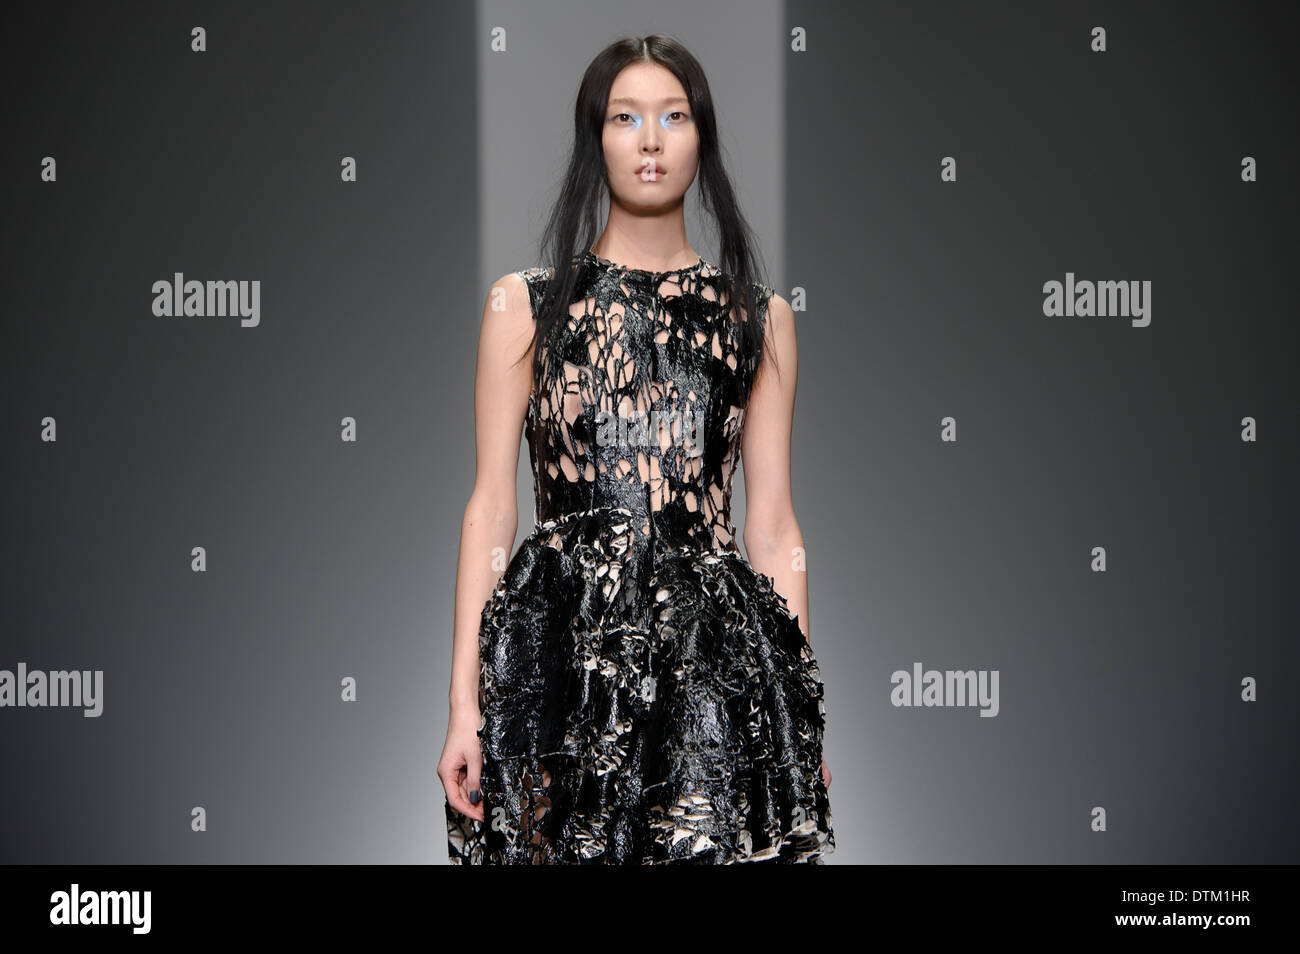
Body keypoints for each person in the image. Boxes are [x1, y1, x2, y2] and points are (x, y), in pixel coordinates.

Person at [438, 34, 834, 864]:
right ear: (597, 139)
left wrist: (796, 717)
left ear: (702, 139)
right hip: (561, 655)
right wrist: (463, 708)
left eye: (673, 117)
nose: (650, 140)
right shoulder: (526, 308)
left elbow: (775, 531)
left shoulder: (757, 320)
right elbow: (492, 509)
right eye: (626, 118)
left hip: (710, 662)